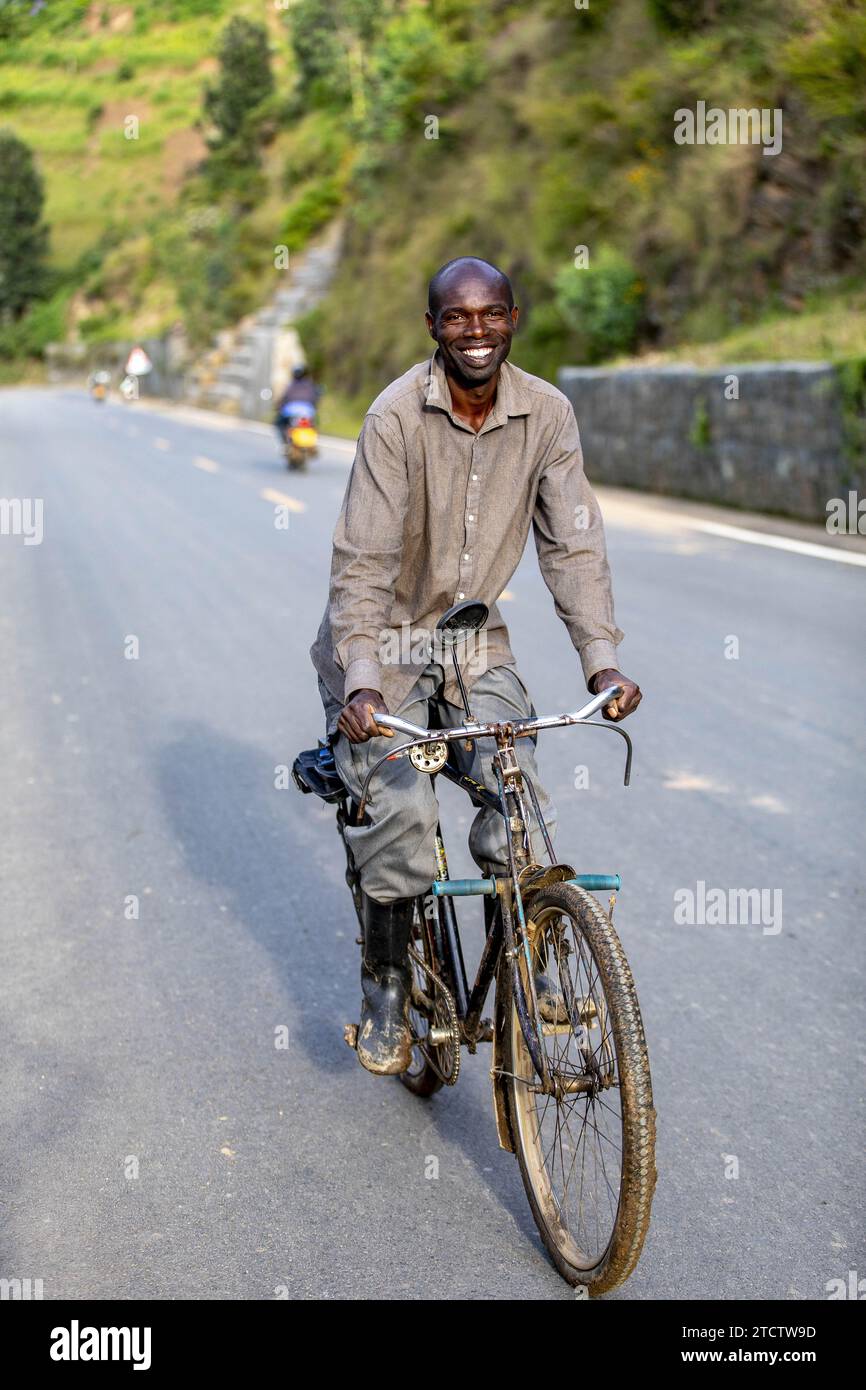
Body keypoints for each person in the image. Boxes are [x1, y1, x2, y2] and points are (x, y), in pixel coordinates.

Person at [310, 256, 642, 1076]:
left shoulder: (548, 415)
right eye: (457, 318)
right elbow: (361, 566)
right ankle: (386, 985)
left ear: (513, 318)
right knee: (403, 824)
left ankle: (529, 964)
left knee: (516, 791)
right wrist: (358, 680)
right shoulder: (394, 417)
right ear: (432, 328)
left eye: (490, 314)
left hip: (473, 639)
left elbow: (573, 545)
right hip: (380, 645)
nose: (476, 332)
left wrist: (601, 664)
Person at [274, 364, 319, 442]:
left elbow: (284, 398)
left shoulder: (291, 385)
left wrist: (278, 406)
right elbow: (315, 398)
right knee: (313, 424)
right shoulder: (310, 385)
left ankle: (285, 441)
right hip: (307, 411)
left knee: (279, 423)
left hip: (290, 411)